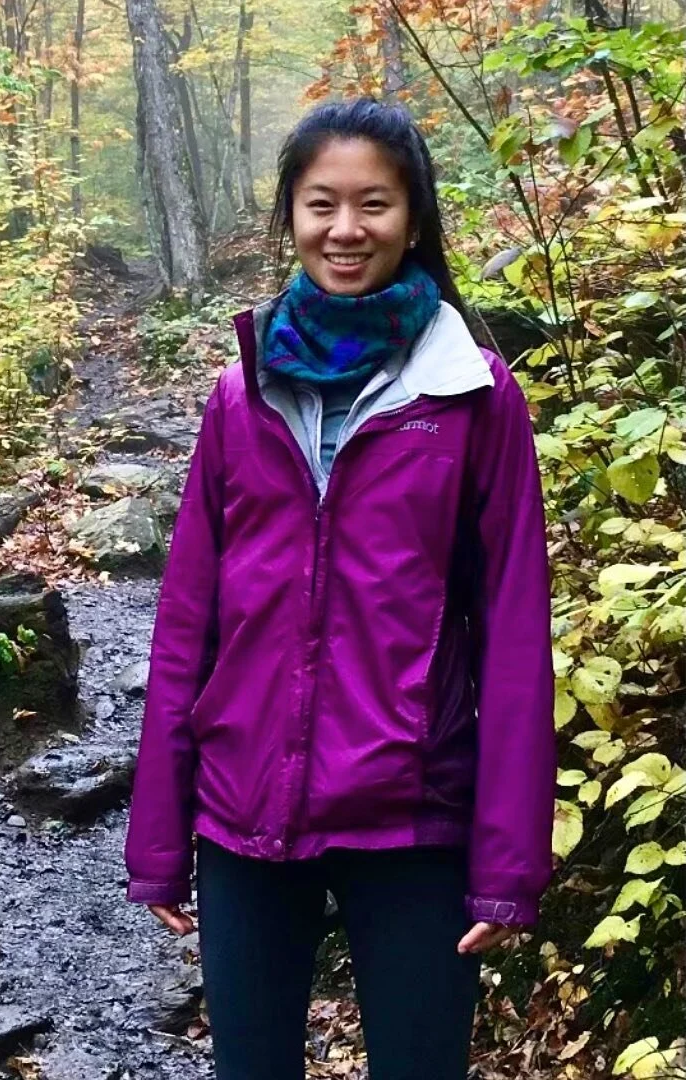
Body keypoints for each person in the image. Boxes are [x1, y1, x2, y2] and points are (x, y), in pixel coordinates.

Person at [122, 98, 556, 1080]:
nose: (346, 229)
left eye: (375, 204)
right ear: (291, 215)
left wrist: (507, 866)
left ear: (414, 218)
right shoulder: (243, 393)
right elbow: (189, 622)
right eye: (322, 203)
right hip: (243, 812)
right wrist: (159, 832)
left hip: (412, 811)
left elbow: (515, 638)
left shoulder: (473, 395)